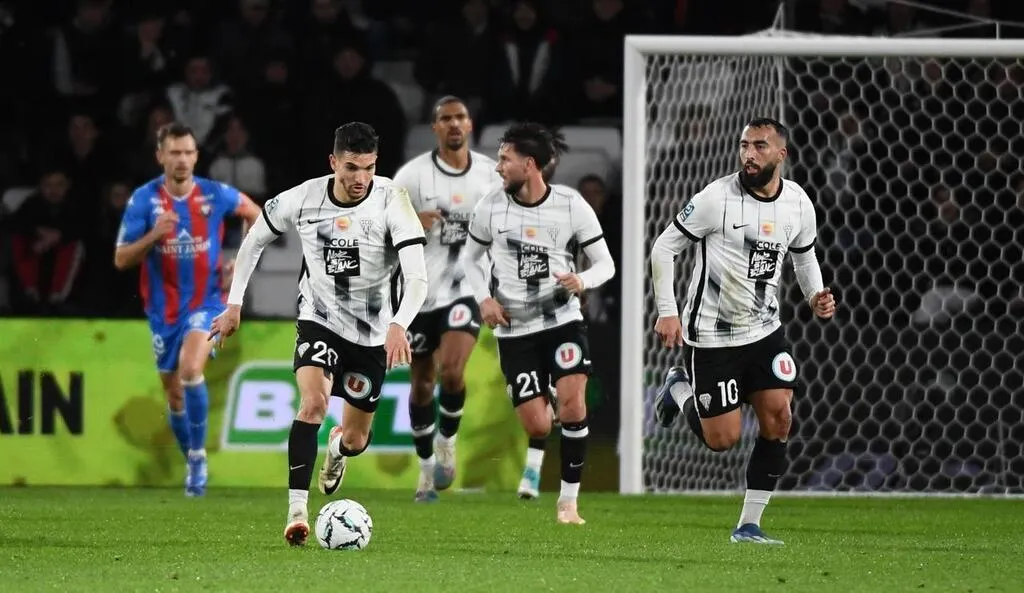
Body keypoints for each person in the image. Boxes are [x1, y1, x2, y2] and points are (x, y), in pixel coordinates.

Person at [210, 122, 428, 546]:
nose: (359, 178)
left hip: (373, 334)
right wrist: (235, 303)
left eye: (367, 167)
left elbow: (418, 276)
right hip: (320, 319)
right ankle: (297, 511)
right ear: (333, 162)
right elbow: (254, 240)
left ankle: (337, 450)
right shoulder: (303, 198)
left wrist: (399, 323)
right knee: (312, 404)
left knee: (356, 439)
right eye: (350, 167)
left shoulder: (391, 199)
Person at [649, 117, 836, 544]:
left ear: (781, 154)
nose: (749, 154)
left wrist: (815, 295)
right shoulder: (717, 198)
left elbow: (803, 259)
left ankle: (748, 525)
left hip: (764, 329)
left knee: (780, 417)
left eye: (760, 146)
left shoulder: (798, 204)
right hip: (712, 336)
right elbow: (664, 247)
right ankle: (679, 387)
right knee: (723, 440)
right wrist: (668, 311)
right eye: (744, 145)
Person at [460, 122, 616, 524]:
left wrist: (582, 280)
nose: (497, 168)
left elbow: (606, 265)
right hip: (515, 329)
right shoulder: (490, 207)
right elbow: (469, 260)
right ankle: (546, 401)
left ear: (529, 165)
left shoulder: (570, 205)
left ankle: (568, 503)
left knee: (574, 403)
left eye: (504, 159)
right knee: (539, 422)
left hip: (563, 320)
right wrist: (484, 299)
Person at [114, 122, 261, 497]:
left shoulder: (213, 194)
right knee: (174, 394)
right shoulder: (143, 201)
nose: (182, 159)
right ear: (160, 155)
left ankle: (198, 459)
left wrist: (239, 264)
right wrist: (153, 235)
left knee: (190, 369)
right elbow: (121, 259)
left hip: (207, 301)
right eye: (174, 152)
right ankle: (192, 456)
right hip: (163, 312)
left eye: (188, 152)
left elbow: (255, 213)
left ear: (196, 155)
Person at [391, 96, 501, 502]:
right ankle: (424, 474)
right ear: (434, 127)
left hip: (466, 288)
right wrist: (410, 222)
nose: (454, 125)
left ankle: (447, 443)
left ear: (470, 125)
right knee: (422, 385)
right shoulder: (412, 177)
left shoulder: (491, 176)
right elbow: (381, 227)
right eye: (445, 119)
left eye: (460, 118)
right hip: (421, 293)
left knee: (453, 371)